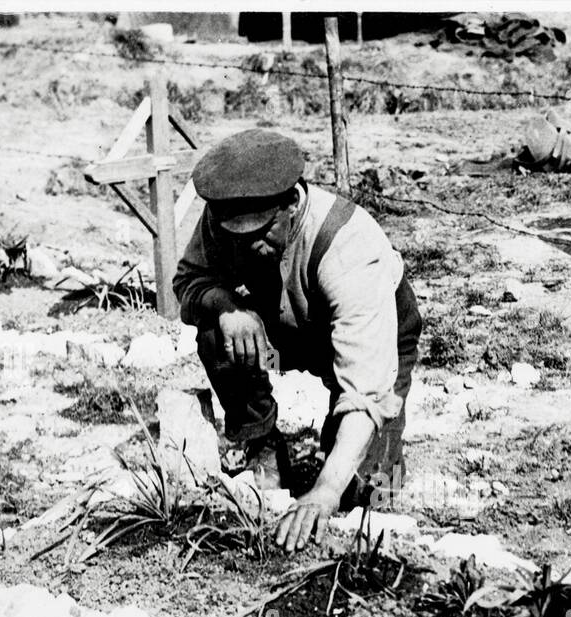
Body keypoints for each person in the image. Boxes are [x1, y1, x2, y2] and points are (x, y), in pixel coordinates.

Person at [173, 129, 421, 555]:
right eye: (237, 235)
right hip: (289, 323)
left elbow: (365, 391)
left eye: (262, 231)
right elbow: (188, 281)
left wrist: (324, 490)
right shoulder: (223, 222)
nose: (249, 244)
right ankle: (262, 441)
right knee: (216, 329)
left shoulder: (350, 248)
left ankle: (376, 468)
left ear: (291, 203)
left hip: (373, 336)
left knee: (368, 497)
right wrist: (226, 304)